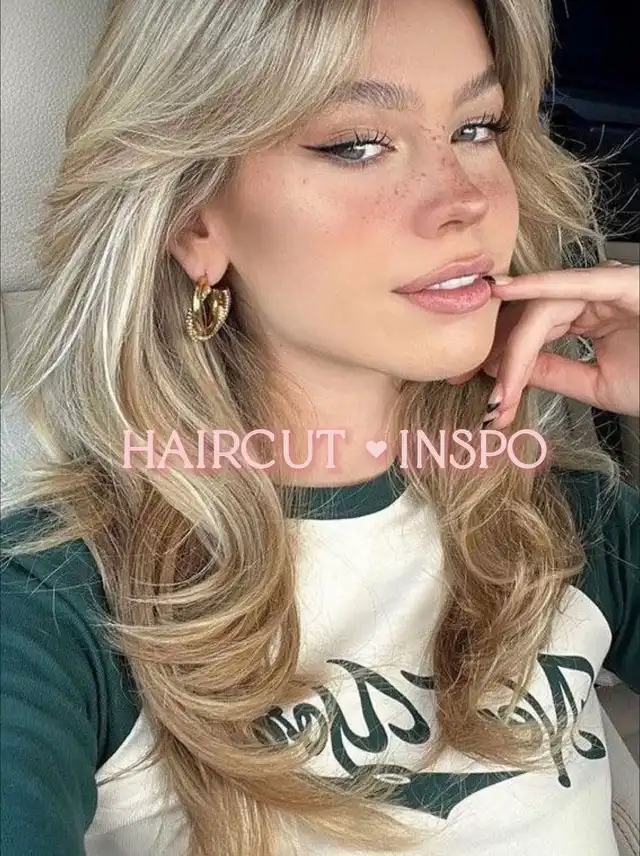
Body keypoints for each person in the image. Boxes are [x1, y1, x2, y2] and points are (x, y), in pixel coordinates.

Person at [1, 0, 638, 854]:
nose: (464, 200)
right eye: (357, 144)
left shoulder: (558, 516)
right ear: (194, 219)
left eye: (477, 128)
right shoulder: (61, 603)